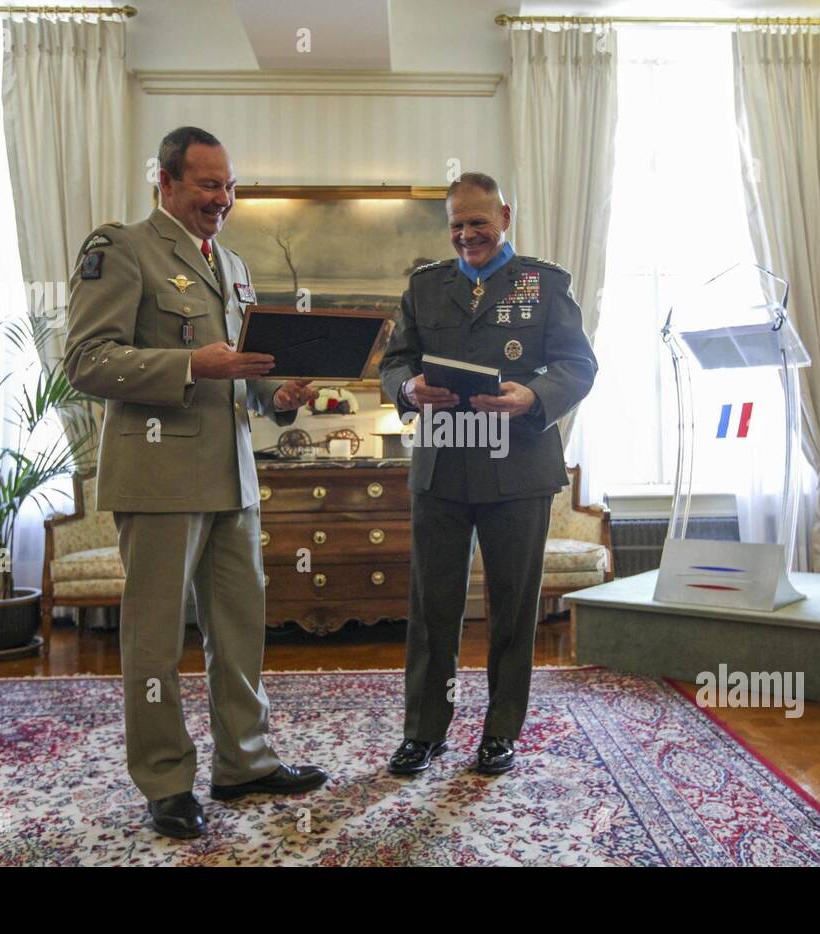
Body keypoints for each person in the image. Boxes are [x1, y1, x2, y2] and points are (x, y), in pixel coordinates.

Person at [64, 126, 327, 838]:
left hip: (233, 478)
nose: (223, 199)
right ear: (168, 183)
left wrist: (273, 397)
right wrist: (188, 367)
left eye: (229, 185)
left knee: (239, 629)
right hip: (157, 479)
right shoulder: (119, 250)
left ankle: (244, 761)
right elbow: (87, 362)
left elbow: (235, 375)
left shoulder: (234, 265)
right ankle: (165, 779)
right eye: (208, 185)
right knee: (154, 640)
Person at [379, 172, 597, 775]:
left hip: (518, 466)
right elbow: (395, 362)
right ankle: (424, 732)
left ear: (504, 215)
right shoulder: (426, 287)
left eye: (478, 222)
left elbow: (578, 365)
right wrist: (408, 388)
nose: (466, 235)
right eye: (456, 225)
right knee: (432, 608)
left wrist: (533, 395)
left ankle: (501, 732)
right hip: (443, 464)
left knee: (512, 607)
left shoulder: (544, 284)